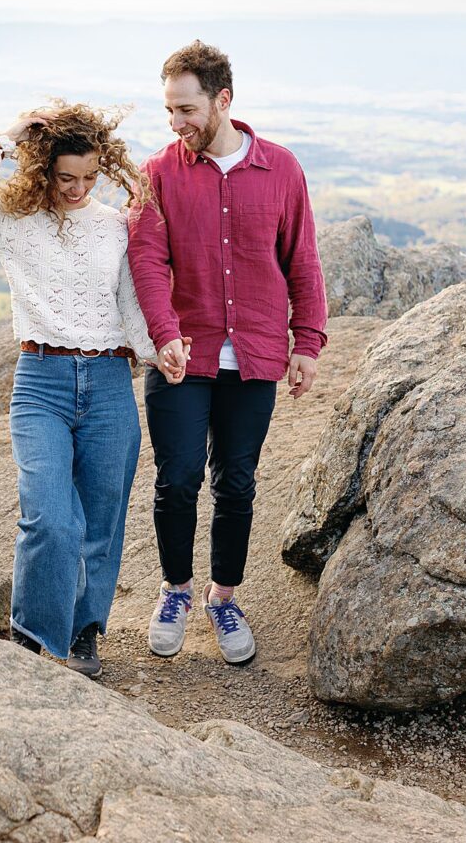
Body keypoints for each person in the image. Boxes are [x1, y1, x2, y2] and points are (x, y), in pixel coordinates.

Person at [0, 102, 181, 679]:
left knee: (102, 519)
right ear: (44, 168)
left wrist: (159, 350)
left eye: (88, 177)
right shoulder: (13, 219)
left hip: (107, 384)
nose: (77, 188)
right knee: (50, 518)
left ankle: (82, 632)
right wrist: (8, 135)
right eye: (65, 177)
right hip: (40, 382)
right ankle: (31, 631)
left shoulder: (113, 226)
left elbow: (127, 302)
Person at [127, 40, 327, 665]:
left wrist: (308, 342)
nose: (177, 124)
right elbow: (146, 259)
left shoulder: (282, 169)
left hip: (257, 355)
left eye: (186, 110)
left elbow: (302, 258)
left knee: (236, 484)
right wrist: (164, 335)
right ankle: (176, 592)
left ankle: (224, 597)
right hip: (182, 357)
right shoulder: (157, 172)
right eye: (169, 111)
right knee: (178, 479)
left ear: (223, 100)